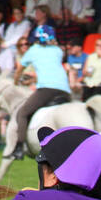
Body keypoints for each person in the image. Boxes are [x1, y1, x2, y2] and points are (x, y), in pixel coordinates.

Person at [9, 24, 71, 159]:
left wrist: (15, 81)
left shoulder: (33, 50)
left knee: (22, 113)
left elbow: (20, 69)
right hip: (65, 91)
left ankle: (19, 148)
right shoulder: (58, 50)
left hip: (47, 89)